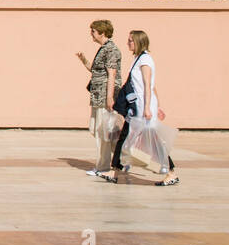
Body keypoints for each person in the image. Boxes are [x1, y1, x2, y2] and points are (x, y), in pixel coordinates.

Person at [108, 29, 179, 186]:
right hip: (138, 106)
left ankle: (171, 172)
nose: (128, 43)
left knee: (154, 142)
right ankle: (116, 170)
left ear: (138, 41)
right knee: (127, 136)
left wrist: (149, 108)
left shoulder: (145, 60)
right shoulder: (138, 59)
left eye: (130, 40)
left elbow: (148, 85)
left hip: (143, 107)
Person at [75, 19, 120, 178]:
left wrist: (109, 98)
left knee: (103, 132)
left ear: (102, 32)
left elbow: (112, 74)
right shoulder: (103, 49)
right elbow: (95, 71)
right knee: (97, 129)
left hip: (103, 97)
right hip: (97, 95)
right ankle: (120, 158)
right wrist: (84, 60)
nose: (91, 34)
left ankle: (103, 166)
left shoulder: (111, 50)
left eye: (93, 31)